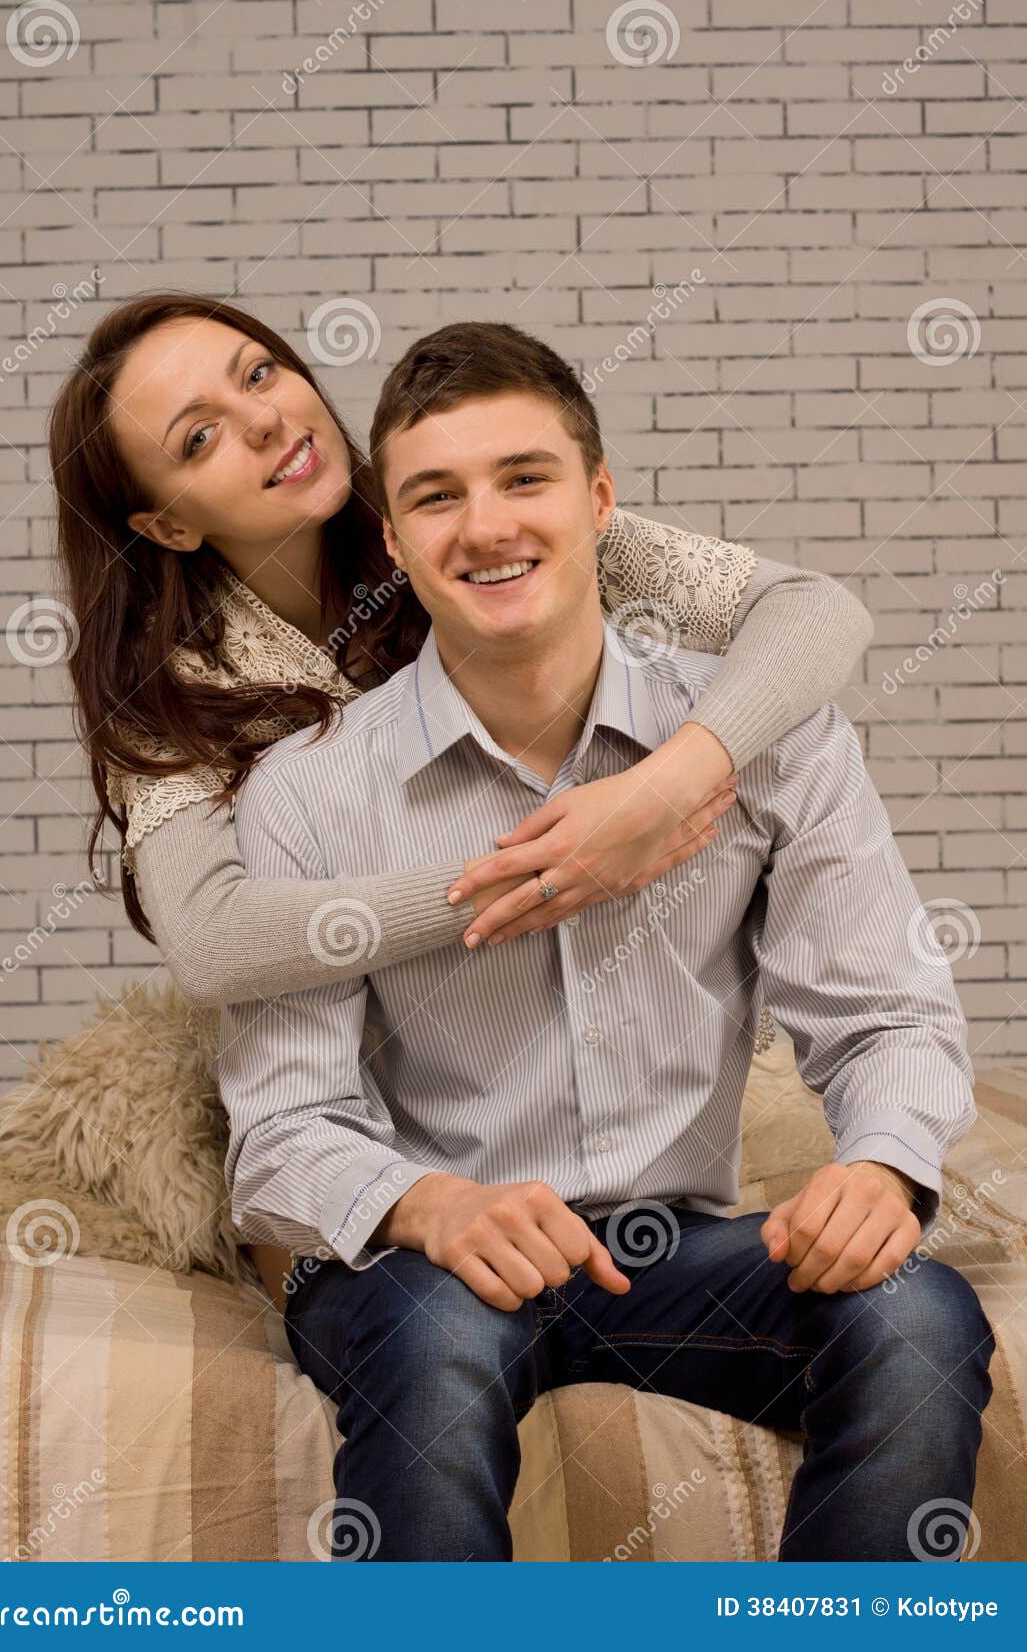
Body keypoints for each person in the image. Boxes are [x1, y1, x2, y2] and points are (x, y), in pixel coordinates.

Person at [217, 321, 995, 1563]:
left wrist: (883, 1166)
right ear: (397, 542)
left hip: (670, 1252)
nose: (484, 527)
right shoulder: (308, 792)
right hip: (425, 1263)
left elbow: (885, 1013)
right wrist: (430, 1205)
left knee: (917, 1315)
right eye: (434, 497)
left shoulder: (761, 737)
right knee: (435, 1340)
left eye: (523, 479)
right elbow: (283, 1129)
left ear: (598, 500)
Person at [52, 293, 871, 1307]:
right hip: (350, 1089)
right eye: (201, 435)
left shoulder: (472, 520)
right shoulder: (167, 689)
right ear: (168, 520)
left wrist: (663, 787)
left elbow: (814, 611)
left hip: (550, 1056)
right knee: (401, 1297)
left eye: (257, 372)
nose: (261, 418)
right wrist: (541, 874)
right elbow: (213, 938)